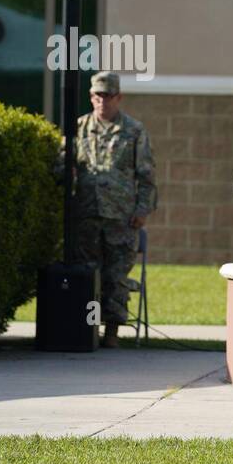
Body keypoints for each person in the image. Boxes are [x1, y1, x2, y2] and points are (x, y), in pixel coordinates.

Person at [72, 71, 157, 348]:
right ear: (91, 97)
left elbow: (146, 176)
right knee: (87, 272)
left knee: (115, 277)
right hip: (87, 214)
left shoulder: (133, 131)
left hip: (122, 218)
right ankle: (85, 330)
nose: (102, 102)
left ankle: (112, 331)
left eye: (108, 96)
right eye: (97, 96)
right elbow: (63, 167)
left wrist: (142, 210)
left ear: (118, 97)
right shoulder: (80, 128)